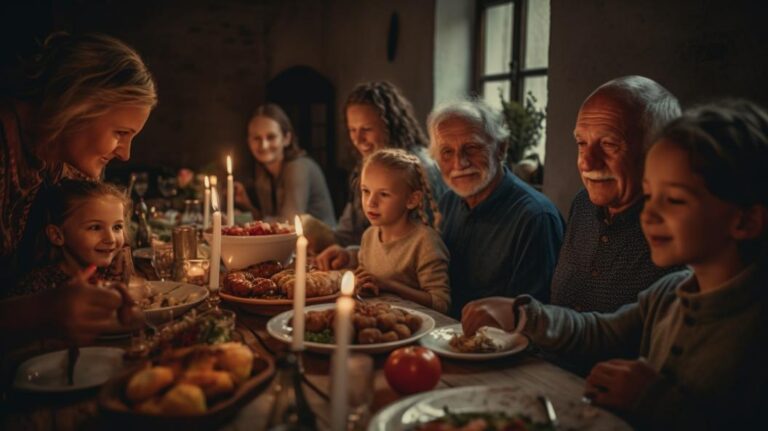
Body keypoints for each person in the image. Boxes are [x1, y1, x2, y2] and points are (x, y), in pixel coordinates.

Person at [462, 100, 768, 429]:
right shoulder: (669, 292)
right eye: (649, 195)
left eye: (675, 200)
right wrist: (523, 313)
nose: (648, 215)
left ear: (746, 220)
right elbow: (601, 331)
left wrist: (654, 400)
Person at [0, 33, 155, 347]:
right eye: (121, 133)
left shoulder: (55, 157)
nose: (125, 154)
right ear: (78, 106)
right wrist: (42, 311)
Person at [550, 76, 683, 313]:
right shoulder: (582, 204)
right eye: (581, 143)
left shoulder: (677, 226)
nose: (586, 162)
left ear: (657, 150)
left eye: (609, 144)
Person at [428, 99, 564, 317]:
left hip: (502, 347)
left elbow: (535, 318)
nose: (459, 163)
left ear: (501, 148)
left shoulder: (535, 217)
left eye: (471, 148)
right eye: (446, 152)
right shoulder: (447, 203)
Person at [315, 81, 447, 267]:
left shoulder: (418, 169)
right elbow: (348, 233)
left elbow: (423, 248)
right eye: (352, 130)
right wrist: (321, 237)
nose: (358, 140)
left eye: (366, 130)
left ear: (390, 125)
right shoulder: (369, 166)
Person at [353, 149, 450, 313]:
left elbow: (441, 303)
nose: (371, 202)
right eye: (366, 191)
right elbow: (368, 284)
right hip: (378, 321)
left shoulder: (425, 242)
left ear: (412, 200)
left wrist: (389, 285)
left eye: (383, 194)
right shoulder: (369, 236)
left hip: (416, 327)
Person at [14, 180, 133, 299]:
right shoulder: (38, 287)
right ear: (57, 235)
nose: (111, 239)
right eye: (95, 227)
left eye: (117, 227)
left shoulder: (111, 272)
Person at [233, 103, 336, 227]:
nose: (263, 145)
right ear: (248, 141)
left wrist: (238, 220)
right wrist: (246, 204)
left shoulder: (297, 167)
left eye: (271, 137)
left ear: (286, 138)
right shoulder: (263, 173)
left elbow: (289, 223)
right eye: (256, 138)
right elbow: (270, 222)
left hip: (323, 244)